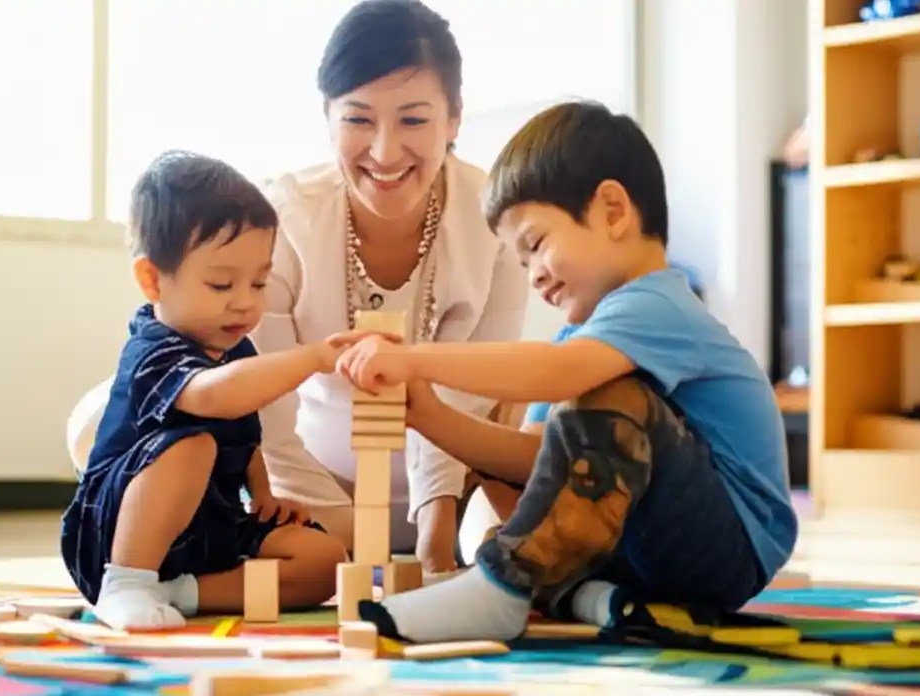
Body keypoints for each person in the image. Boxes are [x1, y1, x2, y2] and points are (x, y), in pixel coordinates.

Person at [65, 0, 529, 575]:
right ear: (328, 115)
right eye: (359, 120)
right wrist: (339, 530)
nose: (385, 151)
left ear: (454, 118)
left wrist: (433, 536)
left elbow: (463, 399)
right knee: (103, 416)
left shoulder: (495, 221)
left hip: (448, 484)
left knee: (546, 446)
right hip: (310, 481)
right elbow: (270, 419)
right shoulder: (286, 214)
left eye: (413, 120)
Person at [335, 101, 799, 642]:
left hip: (729, 547)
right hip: (642, 549)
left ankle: (505, 587)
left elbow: (558, 373)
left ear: (612, 210)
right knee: (513, 485)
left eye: (536, 245)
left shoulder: (657, 305)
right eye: (521, 261)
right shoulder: (578, 344)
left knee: (606, 392)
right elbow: (534, 460)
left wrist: (413, 357)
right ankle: (589, 599)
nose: (533, 275)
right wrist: (431, 418)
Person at [59, 150, 354, 631]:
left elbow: (244, 434)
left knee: (324, 559)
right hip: (116, 539)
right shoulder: (154, 351)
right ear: (153, 280)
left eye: (259, 283)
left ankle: (176, 593)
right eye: (221, 284)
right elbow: (217, 398)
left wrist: (264, 493)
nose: (244, 302)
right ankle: (128, 585)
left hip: (207, 531)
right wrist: (313, 358)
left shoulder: (233, 348)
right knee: (192, 444)